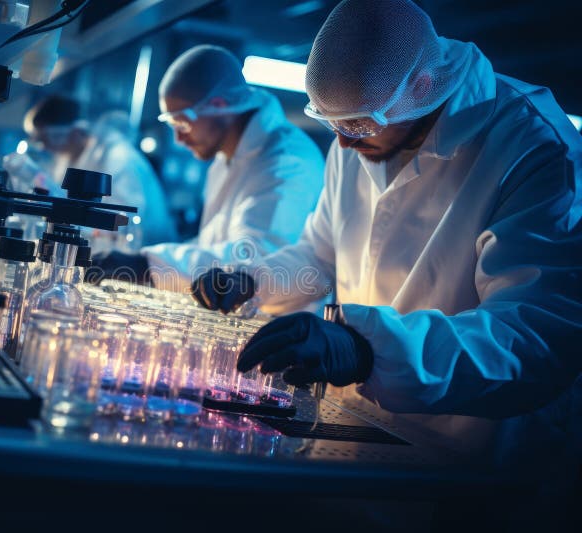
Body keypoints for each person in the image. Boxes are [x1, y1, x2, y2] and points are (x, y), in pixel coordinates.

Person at [192, 0, 582, 526]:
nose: (343, 143)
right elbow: (318, 253)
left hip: (470, 467)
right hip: (362, 436)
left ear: (424, 90)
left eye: (355, 125)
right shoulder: (354, 140)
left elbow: (531, 339)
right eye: (334, 125)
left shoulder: (534, 147)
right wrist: (252, 278)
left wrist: (366, 349)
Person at [86, 45, 326, 290]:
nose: (179, 139)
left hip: (275, 321)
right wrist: (149, 262)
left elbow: (254, 255)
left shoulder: (286, 160)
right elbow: (212, 243)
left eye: (182, 124)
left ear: (220, 105)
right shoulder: (227, 157)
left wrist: (147, 264)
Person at [3, 94, 177, 247]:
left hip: (142, 258)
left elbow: (125, 224)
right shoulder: (67, 157)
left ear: (75, 131)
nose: (44, 147)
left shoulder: (118, 158)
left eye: (46, 139)